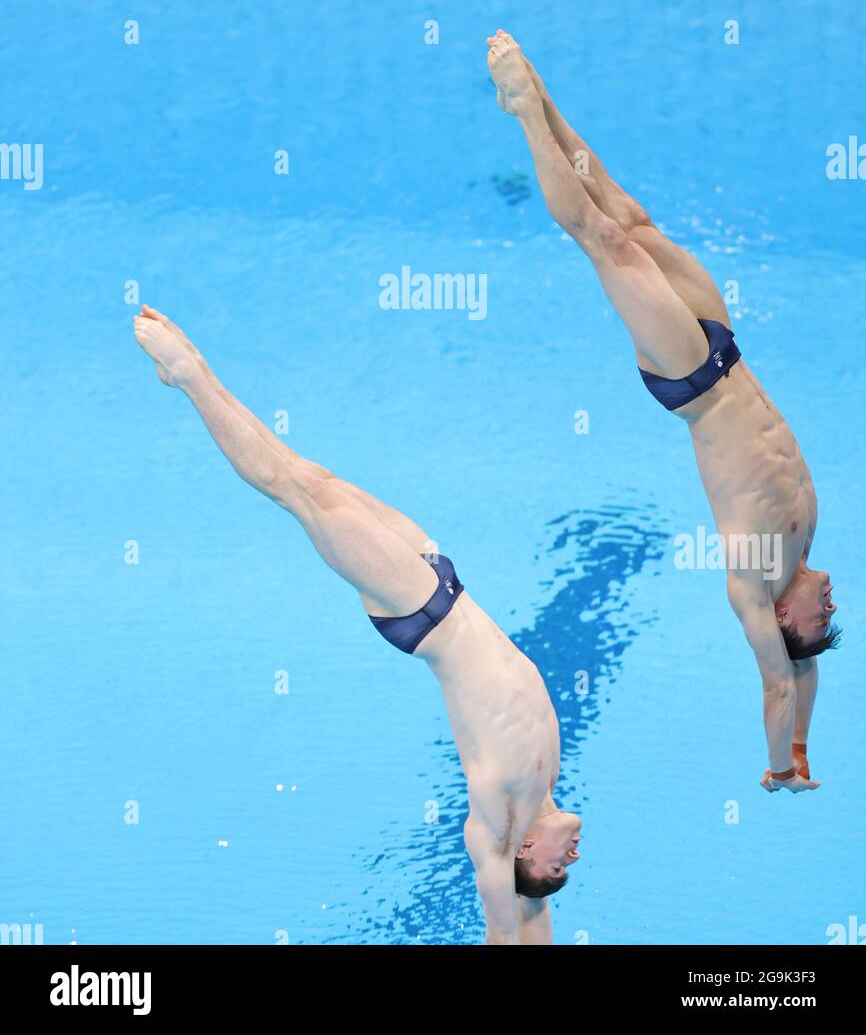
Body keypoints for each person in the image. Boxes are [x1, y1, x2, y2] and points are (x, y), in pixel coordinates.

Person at [133, 304, 582, 943]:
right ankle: (187, 376)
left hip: (420, 610)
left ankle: (190, 375)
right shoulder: (539, 786)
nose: (572, 863)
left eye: (556, 870)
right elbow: (538, 920)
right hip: (442, 582)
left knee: (292, 489)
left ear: (524, 852)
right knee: (313, 478)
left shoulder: (495, 825)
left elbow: (507, 924)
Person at [487, 29, 838, 794]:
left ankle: (519, 111)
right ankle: (541, 93)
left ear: (787, 626)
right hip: (726, 348)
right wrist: (808, 742)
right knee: (629, 212)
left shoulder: (753, 579)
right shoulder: (805, 538)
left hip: (693, 382)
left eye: (821, 624)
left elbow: (781, 683)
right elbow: (805, 682)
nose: (834, 608)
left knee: (604, 238)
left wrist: (781, 767)